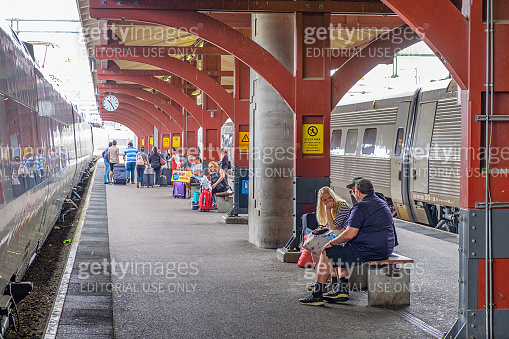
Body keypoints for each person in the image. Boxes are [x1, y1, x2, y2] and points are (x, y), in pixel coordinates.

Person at [299, 178, 396, 306]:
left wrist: (330, 243)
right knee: (341, 251)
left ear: (358, 193)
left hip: (368, 250)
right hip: (385, 249)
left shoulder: (360, 207)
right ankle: (341, 288)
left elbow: (350, 234)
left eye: (354, 192)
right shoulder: (381, 203)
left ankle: (317, 295)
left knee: (327, 252)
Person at [305, 187, 352, 289]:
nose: (328, 201)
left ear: (334, 196)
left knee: (321, 248)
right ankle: (322, 280)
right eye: (325, 200)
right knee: (313, 247)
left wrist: (327, 210)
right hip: (338, 234)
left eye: (330, 198)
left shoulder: (342, 206)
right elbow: (329, 227)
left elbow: (333, 227)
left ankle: (329, 281)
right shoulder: (332, 208)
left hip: (345, 237)